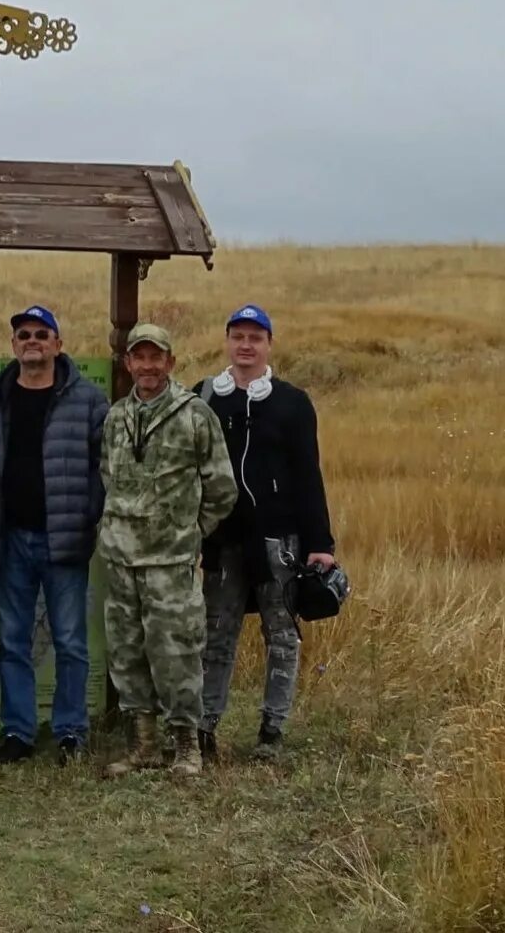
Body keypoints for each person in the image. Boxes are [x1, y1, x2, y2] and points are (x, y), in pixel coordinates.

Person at [0, 305, 108, 765]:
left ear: (58, 345)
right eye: (24, 334)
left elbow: (104, 468)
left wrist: (88, 517)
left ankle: (70, 732)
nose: (32, 341)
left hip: (64, 541)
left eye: (42, 334)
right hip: (10, 541)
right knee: (13, 642)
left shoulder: (87, 399)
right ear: (13, 346)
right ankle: (18, 732)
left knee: (69, 641)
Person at [196, 305, 334, 763]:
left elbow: (308, 477)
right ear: (227, 340)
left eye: (256, 337)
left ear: (269, 344)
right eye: (238, 335)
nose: (246, 345)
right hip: (220, 541)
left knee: (282, 635)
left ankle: (271, 731)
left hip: (280, 542)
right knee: (216, 634)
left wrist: (321, 546)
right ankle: (204, 730)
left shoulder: (293, 403)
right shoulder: (204, 399)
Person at [99, 324, 237, 780]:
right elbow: (108, 476)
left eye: (156, 357)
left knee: (176, 654)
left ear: (171, 362)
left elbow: (221, 488)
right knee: (127, 654)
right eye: (139, 357)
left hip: (169, 562)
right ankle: (143, 745)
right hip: (121, 560)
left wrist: (189, 533)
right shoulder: (117, 417)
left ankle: (186, 748)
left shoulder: (195, 415)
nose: (148, 366)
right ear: (129, 364)